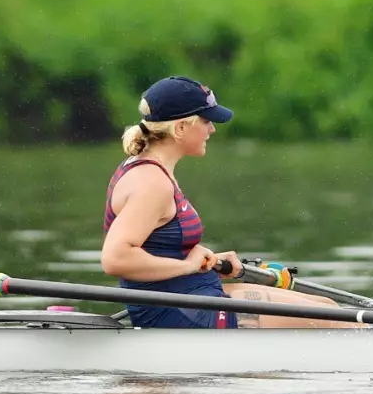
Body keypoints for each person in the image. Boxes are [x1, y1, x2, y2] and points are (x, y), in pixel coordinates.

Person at [100, 76, 352, 328]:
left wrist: (208, 262)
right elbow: (117, 259)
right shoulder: (151, 182)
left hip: (194, 297)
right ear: (179, 129)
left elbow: (158, 246)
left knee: (328, 307)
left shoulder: (149, 169)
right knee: (339, 323)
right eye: (206, 121)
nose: (212, 129)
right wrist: (188, 265)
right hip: (182, 313)